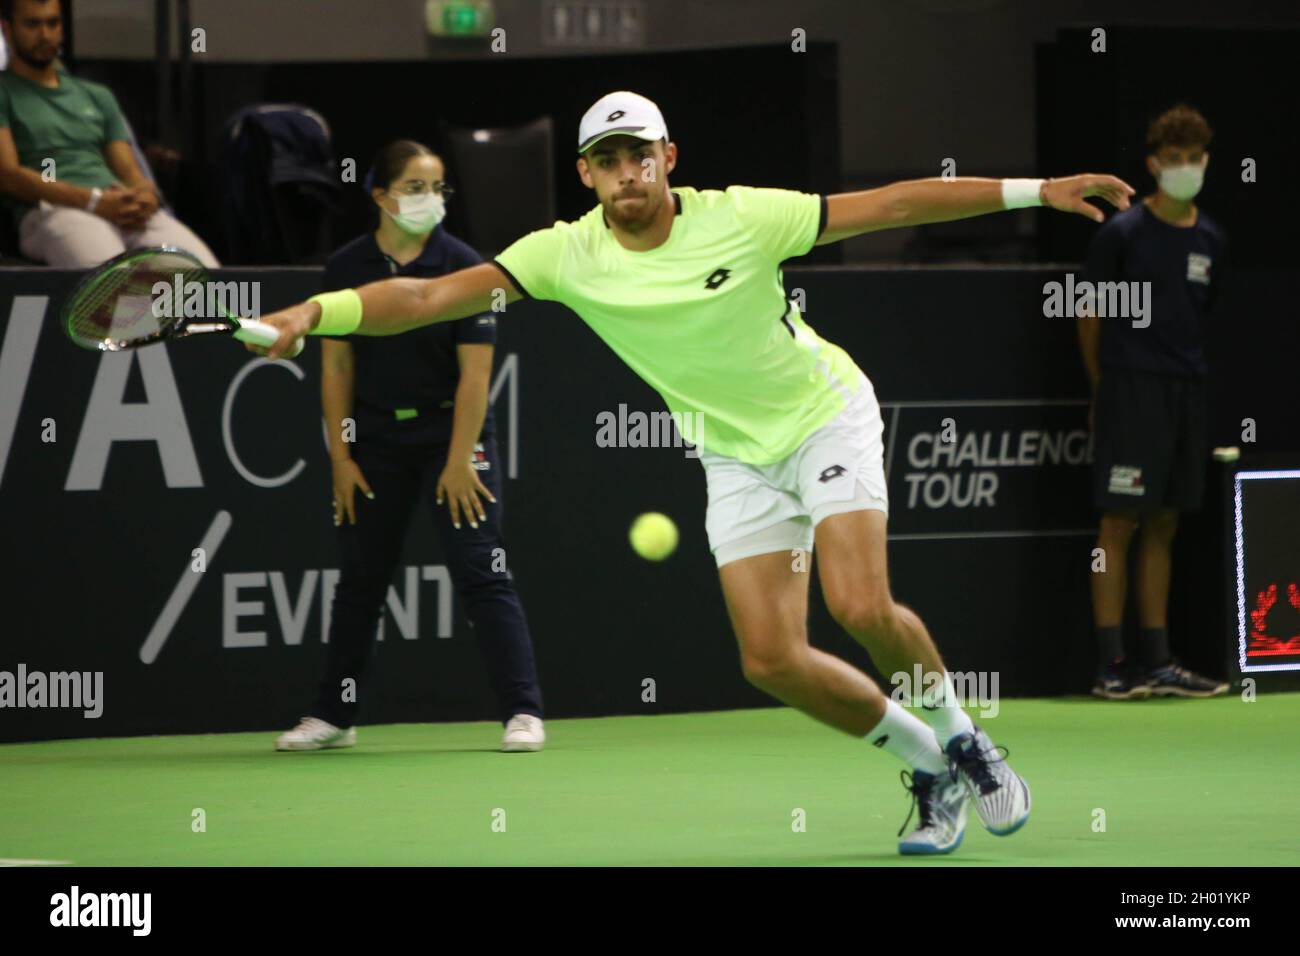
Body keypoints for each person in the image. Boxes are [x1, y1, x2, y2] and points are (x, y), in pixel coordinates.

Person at [251, 91, 1134, 855]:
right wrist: (312, 312)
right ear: (587, 177)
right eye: (607, 160)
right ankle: (926, 766)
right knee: (769, 659)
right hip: (731, 450)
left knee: (859, 605)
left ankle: (965, 740)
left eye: (640, 154)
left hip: (823, 415)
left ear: (668, 159)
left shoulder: (743, 216)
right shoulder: (565, 254)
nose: (626, 172)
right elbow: (422, 298)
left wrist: (1035, 190)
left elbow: (891, 206)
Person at [275, 140, 545, 754]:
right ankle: (332, 717)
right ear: (380, 196)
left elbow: (477, 375)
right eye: (416, 188)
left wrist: (457, 458)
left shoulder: (464, 264)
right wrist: (342, 458)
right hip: (375, 441)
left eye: (439, 188)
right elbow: (337, 368)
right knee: (361, 581)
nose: (432, 200)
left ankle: (523, 711)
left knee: (483, 570)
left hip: (453, 434)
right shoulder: (345, 268)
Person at [1078, 104, 1229, 701]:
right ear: (1153, 165)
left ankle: (1159, 660)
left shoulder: (1212, 238)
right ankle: (1111, 663)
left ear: (1206, 162)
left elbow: (1203, 314)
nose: (1186, 169)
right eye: (1174, 161)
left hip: (1186, 391)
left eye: (1195, 159)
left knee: (1164, 522)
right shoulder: (1122, 235)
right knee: (1118, 520)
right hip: (1129, 390)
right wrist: (1101, 391)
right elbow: (1087, 316)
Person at [0, 0, 218, 267]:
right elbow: (8, 175)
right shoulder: (4, 92)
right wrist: (94, 202)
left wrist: (145, 196)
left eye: (52, 23)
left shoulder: (97, 96)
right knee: (114, 286)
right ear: (7, 30)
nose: (45, 34)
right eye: (33, 24)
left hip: (122, 207)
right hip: (55, 210)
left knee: (206, 275)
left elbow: (129, 171)